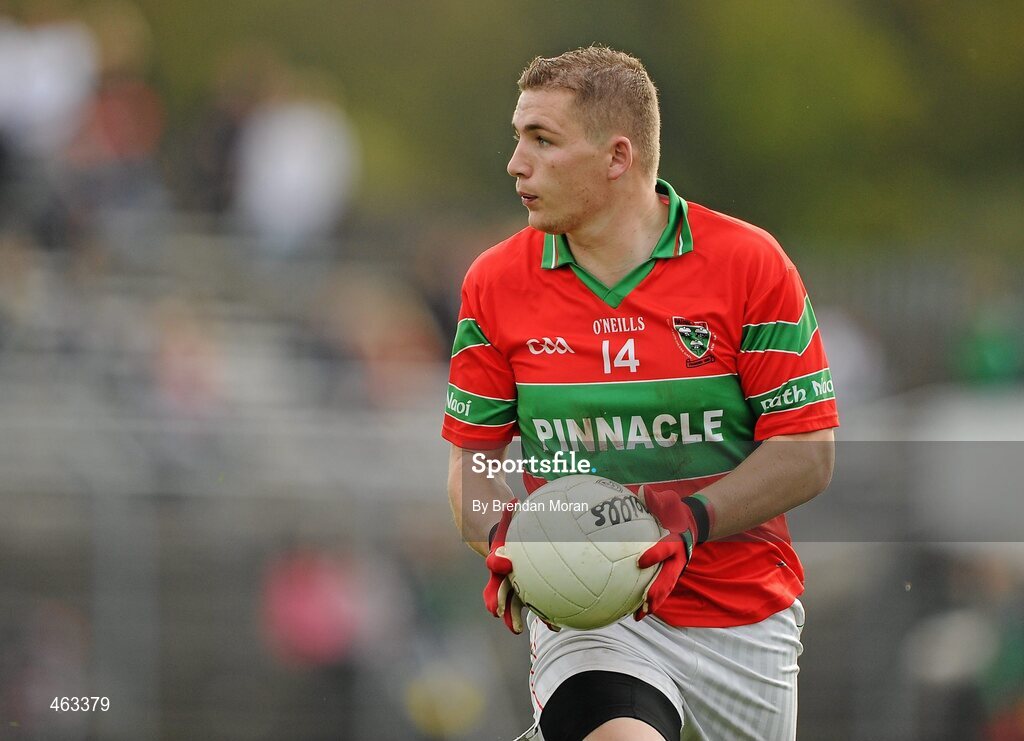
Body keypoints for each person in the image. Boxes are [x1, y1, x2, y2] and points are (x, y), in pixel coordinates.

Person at [443, 46, 837, 741]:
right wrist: (501, 534)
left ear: (617, 157)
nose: (516, 163)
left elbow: (807, 452)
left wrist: (691, 518)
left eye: (542, 139)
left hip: (742, 613)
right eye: (517, 136)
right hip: (590, 618)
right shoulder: (494, 282)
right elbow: (473, 465)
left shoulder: (749, 264)